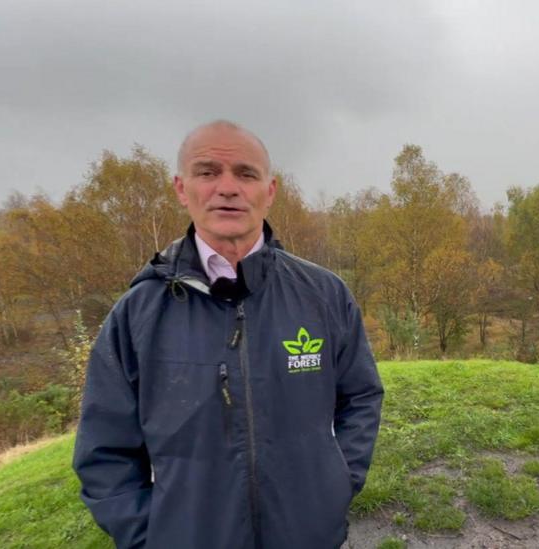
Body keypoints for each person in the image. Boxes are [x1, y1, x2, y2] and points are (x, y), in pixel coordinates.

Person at [72, 120, 384, 548]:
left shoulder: (324, 294)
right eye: (207, 172)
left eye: (245, 173)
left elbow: (362, 396)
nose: (227, 187)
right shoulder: (138, 314)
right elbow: (104, 449)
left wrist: (335, 487)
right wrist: (151, 535)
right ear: (182, 189)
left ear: (269, 191)